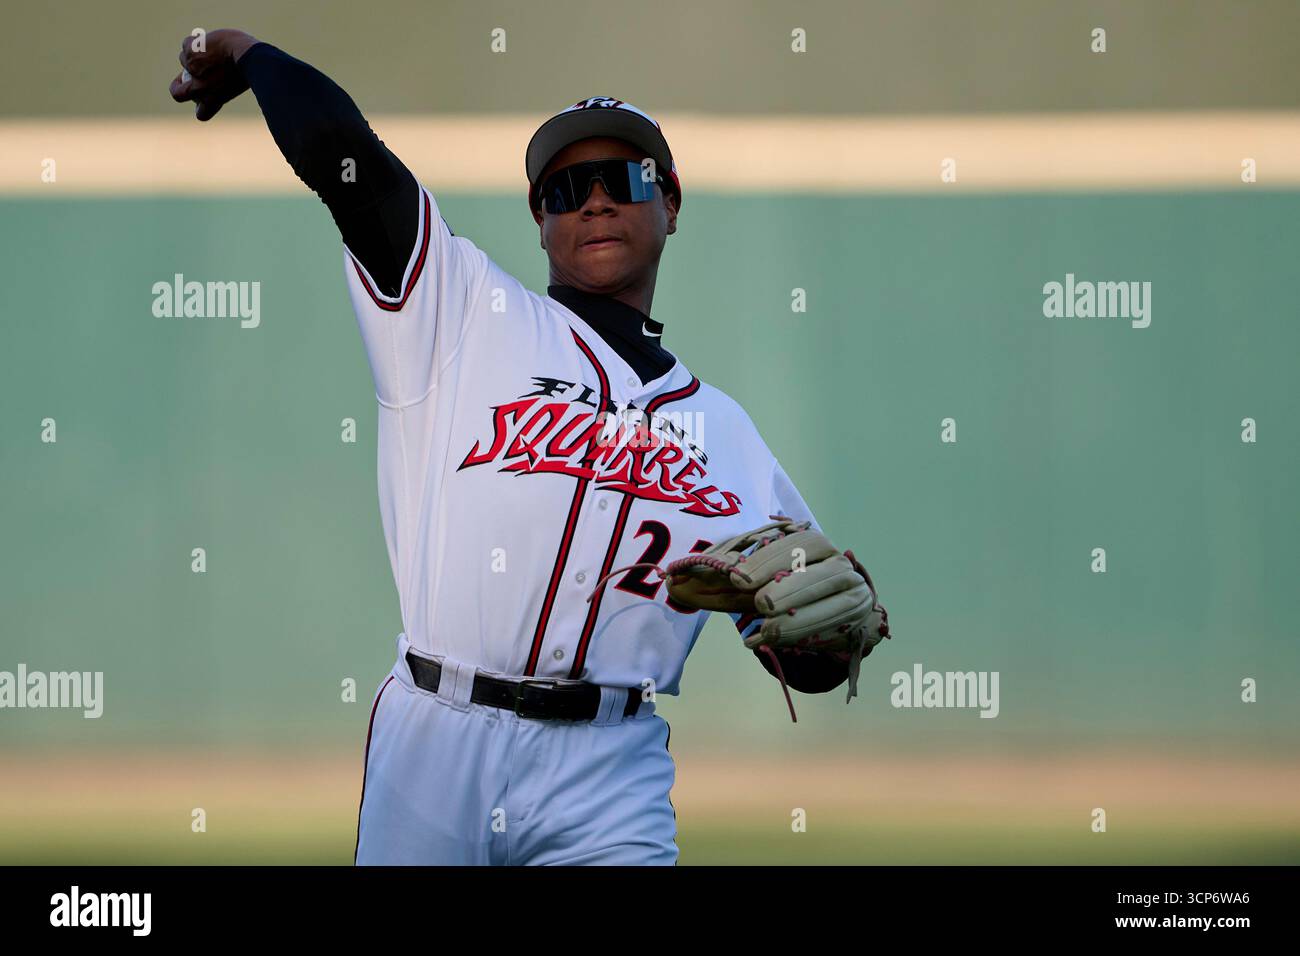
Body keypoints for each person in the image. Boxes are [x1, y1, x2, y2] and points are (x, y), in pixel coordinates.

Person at [169, 29, 889, 866]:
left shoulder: (727, 436)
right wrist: (256, 55)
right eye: (564, 188)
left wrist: (817, 649)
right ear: (540, 220)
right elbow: (344, 159)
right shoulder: (459, 311)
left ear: (673, 203)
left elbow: (809, 650)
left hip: (608, 770)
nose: (593, 201)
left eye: (622, 179)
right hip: (437, 744)